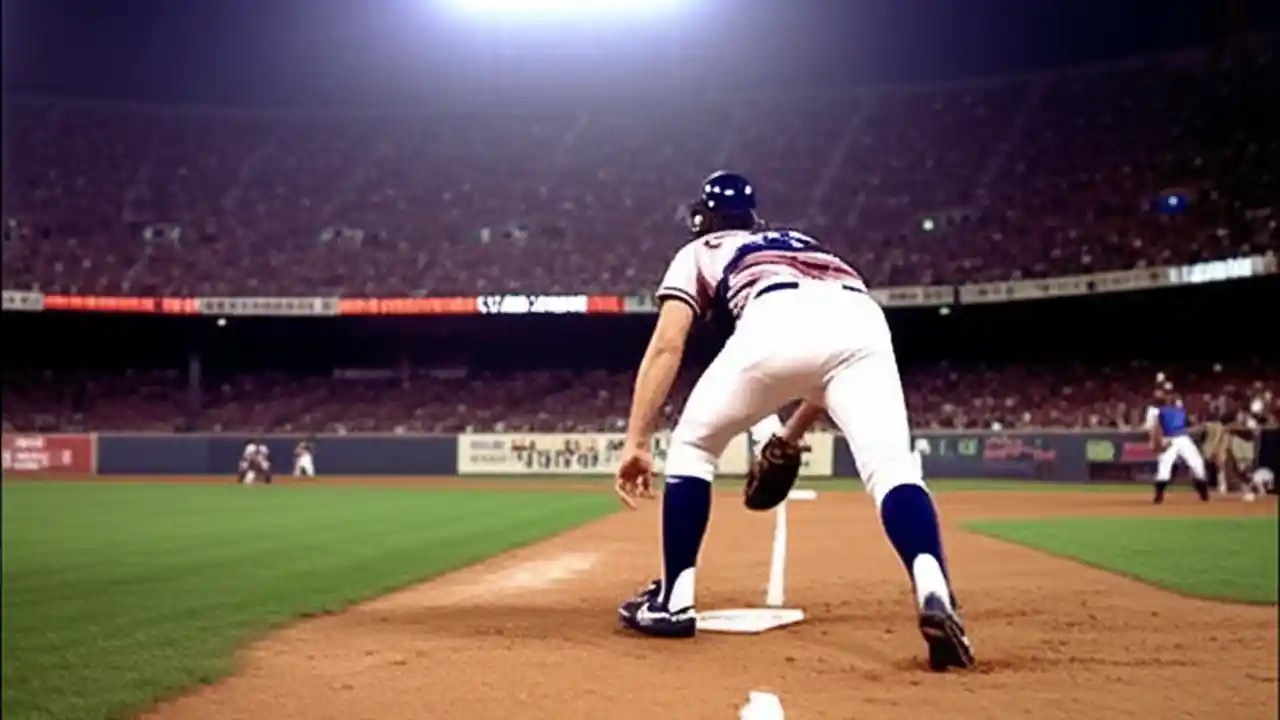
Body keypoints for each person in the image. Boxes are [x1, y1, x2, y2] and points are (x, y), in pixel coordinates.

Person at [613, 171, 974, 671]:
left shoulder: (701, 249)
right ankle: (932, 582)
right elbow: (824, 371)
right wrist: (788, 435)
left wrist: (636, 440)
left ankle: (673, 600)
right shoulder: (803, 242)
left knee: (692, 449)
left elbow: (667, 345)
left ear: (704, 217)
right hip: (861, 319)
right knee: (894, 471)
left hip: (774, 315)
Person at [1146, 384, 1209, 504]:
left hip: (1183, 438)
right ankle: (1159, 496)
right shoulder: (1156, 410)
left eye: (1168, 393)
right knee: (1164, 466)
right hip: (1168, 439)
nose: (1168, 396)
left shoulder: (1179, 409)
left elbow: (1189, 421)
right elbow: (1154, 428)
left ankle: (1204, 494)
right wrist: (1157, 441)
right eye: (1166, 393)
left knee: (1197, 463)